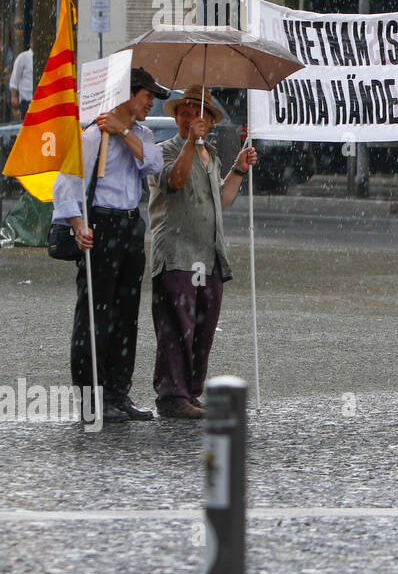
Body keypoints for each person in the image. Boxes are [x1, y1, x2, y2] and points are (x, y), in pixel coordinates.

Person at [51, 67, 169, 421]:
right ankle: (91, 400)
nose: (151, 103)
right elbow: (67, 183)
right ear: (128, 95)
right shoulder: (92, 138)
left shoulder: (143, 134)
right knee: (95, 315)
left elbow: (153, 163)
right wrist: (77, 224)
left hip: (131, 226)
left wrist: (124, 132)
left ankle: (118, 393)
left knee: (126, 315)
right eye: (146, 95)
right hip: (101, 225)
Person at [149, 87, 259, 419]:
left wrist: (238, 170)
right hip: (176, 254)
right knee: (175, 327)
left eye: (197, 113)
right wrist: (187, 144)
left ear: (209, 121)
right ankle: (171, 395)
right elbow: (176, 181)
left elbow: (218, 202)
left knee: (202, 328)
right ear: (175, 117)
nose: (189, 119)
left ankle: (190, 391)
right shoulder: (163, 152)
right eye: (183, 113)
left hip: (208, 256)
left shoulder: (210, 155)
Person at [8, 45, 32, 120]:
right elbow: (15, 78)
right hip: (27, 99)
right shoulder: (23, 57)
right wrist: (14, 96)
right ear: (31, 43)